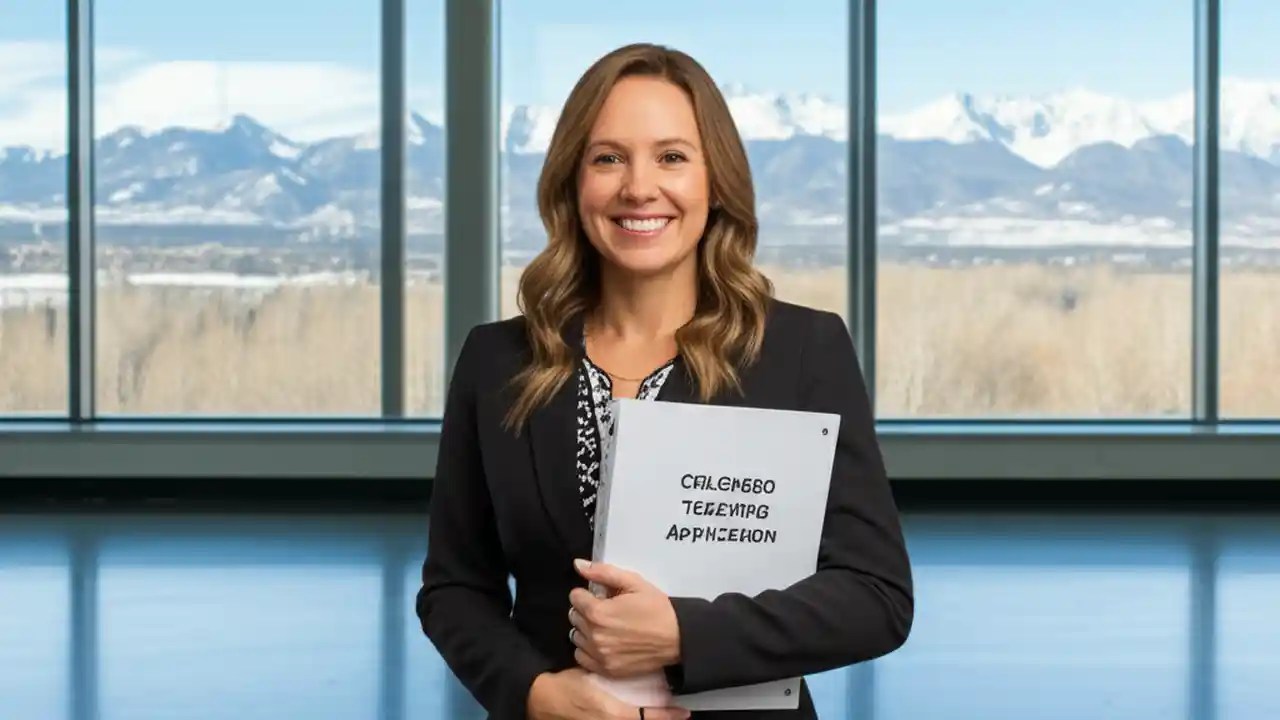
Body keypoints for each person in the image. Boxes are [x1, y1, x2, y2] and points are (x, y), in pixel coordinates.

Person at [416, 42, 913, 720]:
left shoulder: (804, 350)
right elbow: (453, 589)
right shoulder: (496, 361)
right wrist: (537, 696)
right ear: (572, 180)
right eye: (608, 157)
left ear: (717, 182)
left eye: (672, 157)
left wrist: (683, 633)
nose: (638, 187)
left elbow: (876, 597)